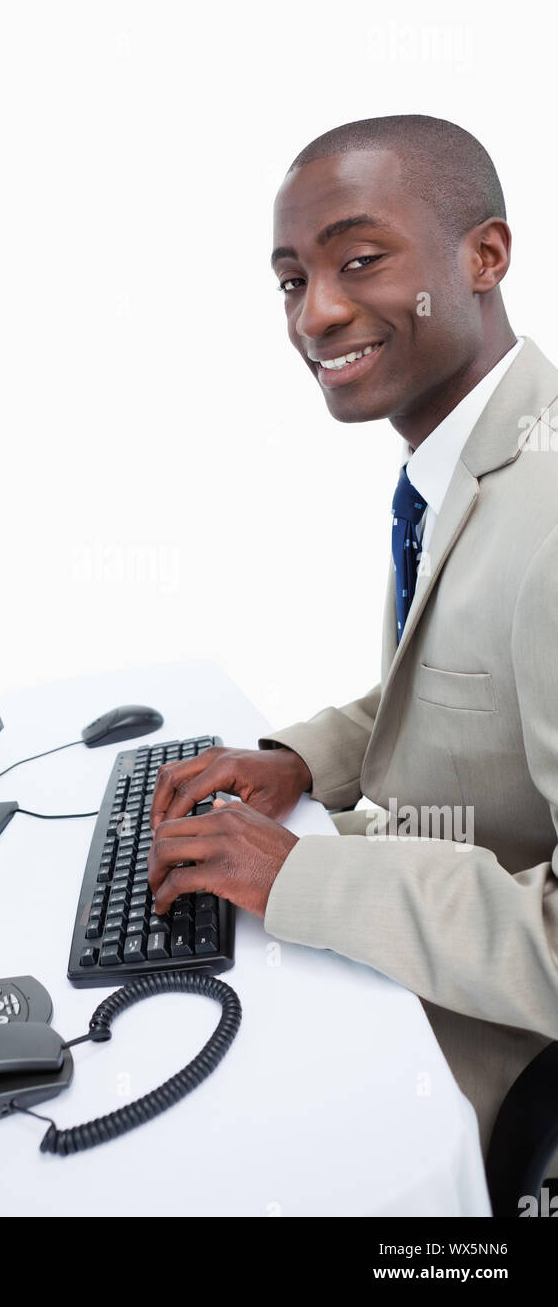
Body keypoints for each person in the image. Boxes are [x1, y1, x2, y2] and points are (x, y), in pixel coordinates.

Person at [148, 114, 558, 1170]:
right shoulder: (467, 459)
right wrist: (297, 763)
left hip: (489, 1055)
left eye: (358, 260)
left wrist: (300, 881)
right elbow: (462, 685)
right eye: (290, 279)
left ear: (484, 255)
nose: (316, 313)